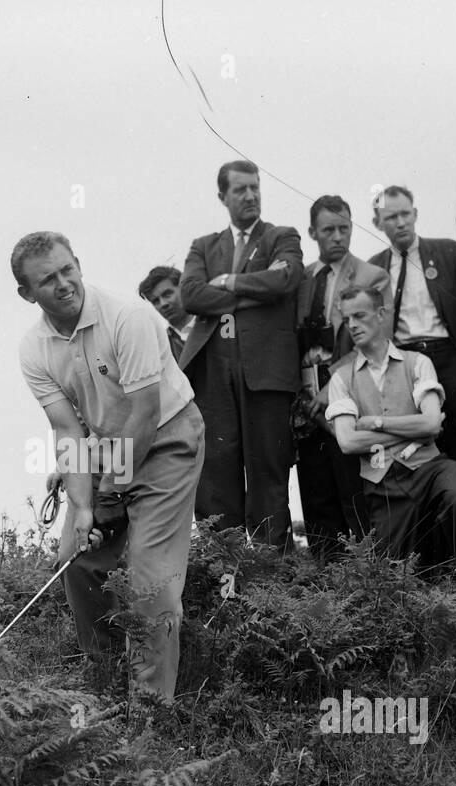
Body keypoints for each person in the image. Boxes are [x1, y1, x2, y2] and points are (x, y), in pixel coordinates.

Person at [14, 231, 203, 702]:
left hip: (166, 439)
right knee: (76, 559)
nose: (63, 283)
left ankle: (150, 707)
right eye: (47, 280)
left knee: (151, 584)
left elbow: (145, 413)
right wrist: (84, 507)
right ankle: (104, 682)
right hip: (107, 445)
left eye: (67, 270)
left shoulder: (129, 317)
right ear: (27, 294)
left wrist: (112, 493)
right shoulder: (33, 349)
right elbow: (67, 430)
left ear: (78, 264)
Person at [325, 285, 456, 575]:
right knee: (397, 575)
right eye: (347, 319)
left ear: (380, 314)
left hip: (430, 468)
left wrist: (376, 423)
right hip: (384, 484)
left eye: (360, 315)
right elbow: (348, 442)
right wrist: (417, 429)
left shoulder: (417, 362)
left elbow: (432, 423)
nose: (352, 325)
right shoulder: (341, 379)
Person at [179, 160, 302, 547]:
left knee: (268, 470)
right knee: (216, 474)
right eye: (240, 189)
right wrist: (254, 293)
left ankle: (270, 569)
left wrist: (229, 282)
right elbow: (190, 294)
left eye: (255, 187)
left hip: (266, 372)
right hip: (213, 372)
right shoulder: (204, 246)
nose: (250, 196)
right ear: (223, 196)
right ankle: (224, 566)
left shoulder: (281, 237)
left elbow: (284, 279)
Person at [292, 194, 387, 559]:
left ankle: (367, 572)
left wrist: (333, 384)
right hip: (306, 397)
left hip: (350, 390)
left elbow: (376, 339)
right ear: (312, 232)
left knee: (354, 488)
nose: (337, 236)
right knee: (315, 490)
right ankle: (325, 576)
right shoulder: (302, 279)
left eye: (344, 228)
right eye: (328, 229)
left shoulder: (371, 276)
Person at [368, 185, 456, 467]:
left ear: (415, 214)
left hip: (448, 358)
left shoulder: (448, 252)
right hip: (405, 364)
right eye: (391, 217)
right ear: (377, 223)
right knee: (416, 448)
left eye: (405, 214)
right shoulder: (374, 268)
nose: (401, 222)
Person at [137, 265, 193, 365]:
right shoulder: (161, 348)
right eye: (156, 301)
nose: (163, 304)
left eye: (167, 294)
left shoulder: (217, 322)